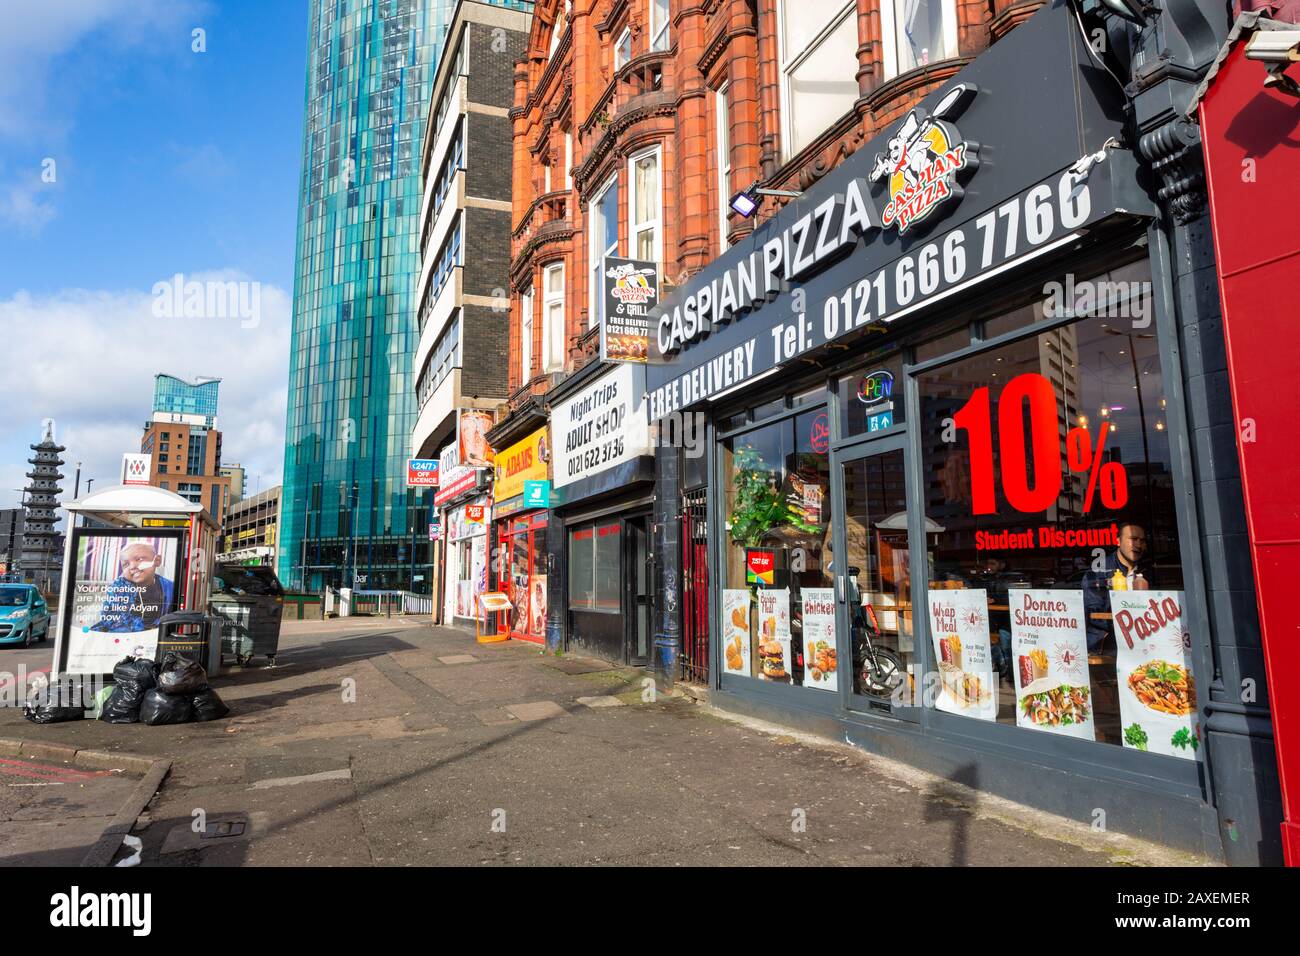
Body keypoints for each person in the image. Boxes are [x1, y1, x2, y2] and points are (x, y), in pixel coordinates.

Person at [1082, 521, 1152, 652]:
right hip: (1106, 644)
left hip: (1144, 641)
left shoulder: (1149, 569)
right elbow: (1093, 613)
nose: (1138, 545)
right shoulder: (1099, 571)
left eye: (1142, 541)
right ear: (1118, 541)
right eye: (1133, 539)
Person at [92, 542, 175, 633]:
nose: (132, 566)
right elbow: (113, 620)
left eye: (139, 559)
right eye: (126, 564)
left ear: (157, 561)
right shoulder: (120, 588)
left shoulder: (169, 587)